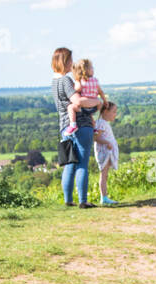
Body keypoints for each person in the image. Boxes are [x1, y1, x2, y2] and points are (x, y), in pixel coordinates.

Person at [51, 47, 101, 208]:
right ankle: (83, 201)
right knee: (82, 163)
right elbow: (77, 101)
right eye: (70, 60)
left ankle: (67, 200)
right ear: (64, 61)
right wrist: (96, 102)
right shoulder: (66, 80)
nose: (72, 63)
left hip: (65, 126)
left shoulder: (54, 82)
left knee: (70, 163)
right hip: (81, 125)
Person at [63, 58, 106, 137]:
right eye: (91, 67)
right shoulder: (95, 81)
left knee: (70, 107)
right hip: (94, 107)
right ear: (86, 70)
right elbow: (101, 92)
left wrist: (75, 84)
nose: (93, 69)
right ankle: (95, 128)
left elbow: (77, 89)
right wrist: (105, 101)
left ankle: (73, 125)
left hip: (84, 107)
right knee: (90, 115)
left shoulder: (80, 80)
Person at [93, 101, 120, 206]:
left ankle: (105, 196)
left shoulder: (104, 123)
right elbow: (95, 138)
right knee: (103, 175)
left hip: (107, 152)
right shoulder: (100, 123)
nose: (115, 114)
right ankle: (103, 197)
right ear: (105, 111)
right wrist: (107, 142)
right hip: (104, 153)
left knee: (105, 175)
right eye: (113, 112)